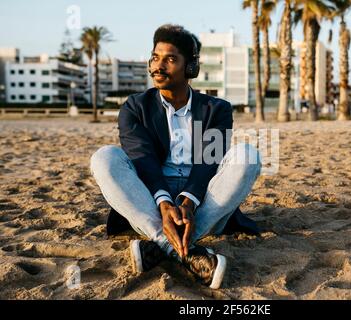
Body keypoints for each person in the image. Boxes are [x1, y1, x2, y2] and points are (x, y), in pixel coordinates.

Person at [90, 24, 261, 289]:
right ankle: (185, 250)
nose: (159, 66)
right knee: (104, 157)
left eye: (170, 59)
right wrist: (164, 204)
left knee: (248, 155)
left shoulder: (217, 109)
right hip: (150, 199)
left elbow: (208, 160)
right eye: (155, 58)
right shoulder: (135, 107)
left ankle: (160, 247)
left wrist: (189, 202)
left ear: (190, 67)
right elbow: (142, 158)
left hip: (204, 199)